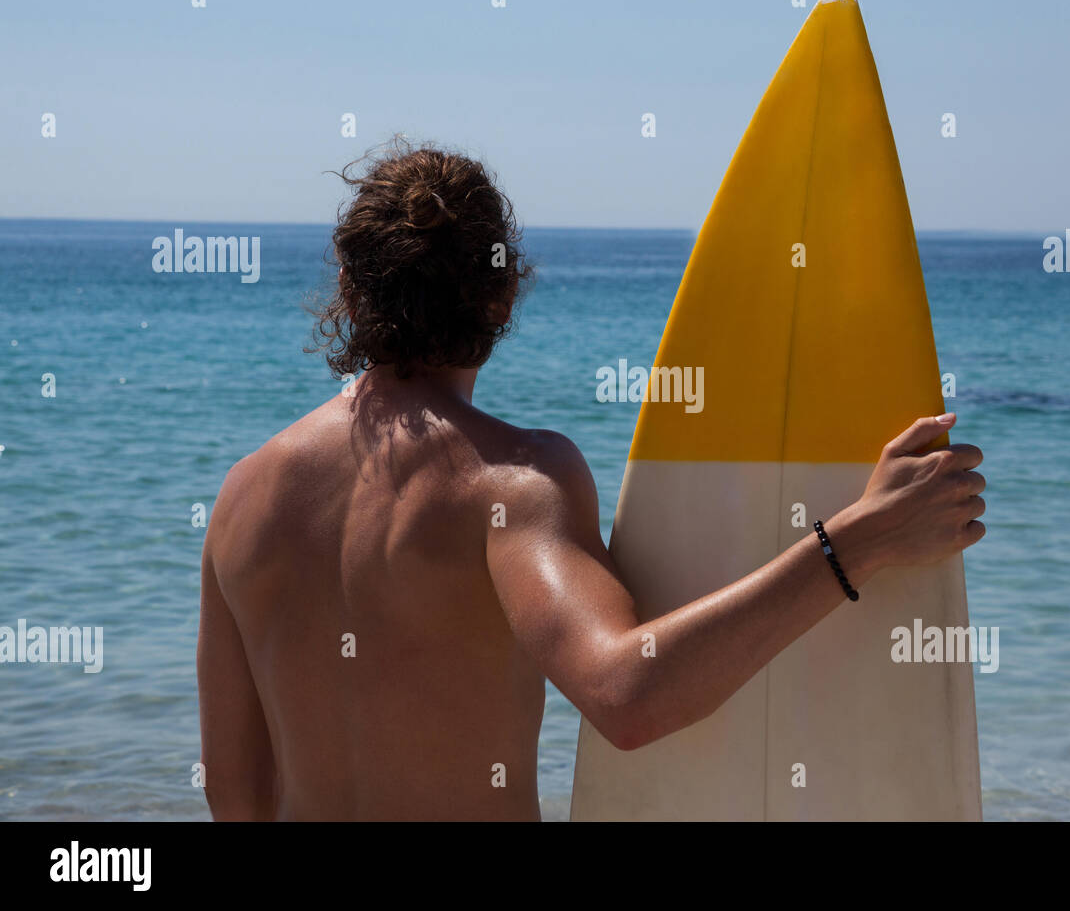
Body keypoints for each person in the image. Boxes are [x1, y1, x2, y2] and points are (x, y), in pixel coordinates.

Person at [197, 140, 987, 820]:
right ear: (504, 293)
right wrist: (858, 538)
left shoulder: (242, 498)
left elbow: (236, 798)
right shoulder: (510, 483)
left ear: (349, 284)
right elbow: (626, 695)